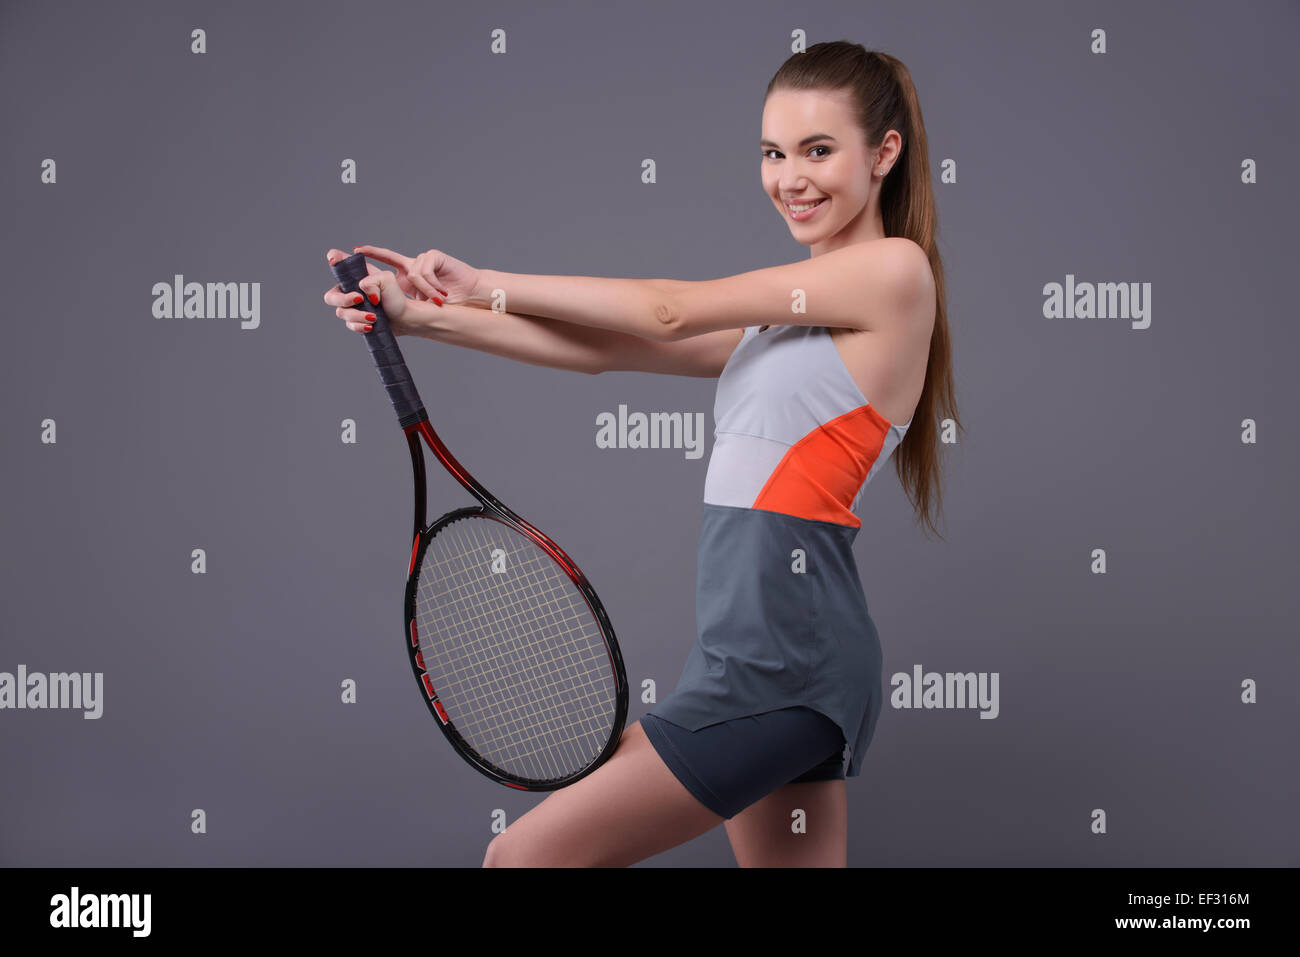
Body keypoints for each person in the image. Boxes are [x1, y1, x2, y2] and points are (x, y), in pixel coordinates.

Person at [322, 40, 959, 867]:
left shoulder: (894, 273)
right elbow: (603, 350)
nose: (789, 178)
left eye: (817, 150)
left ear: (885, 152)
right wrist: (423, 317)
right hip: (778, 664)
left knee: (520, 860)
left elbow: (665, 311)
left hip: (780, 666)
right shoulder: (784, 320)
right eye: (772, 153)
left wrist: (485, 281)